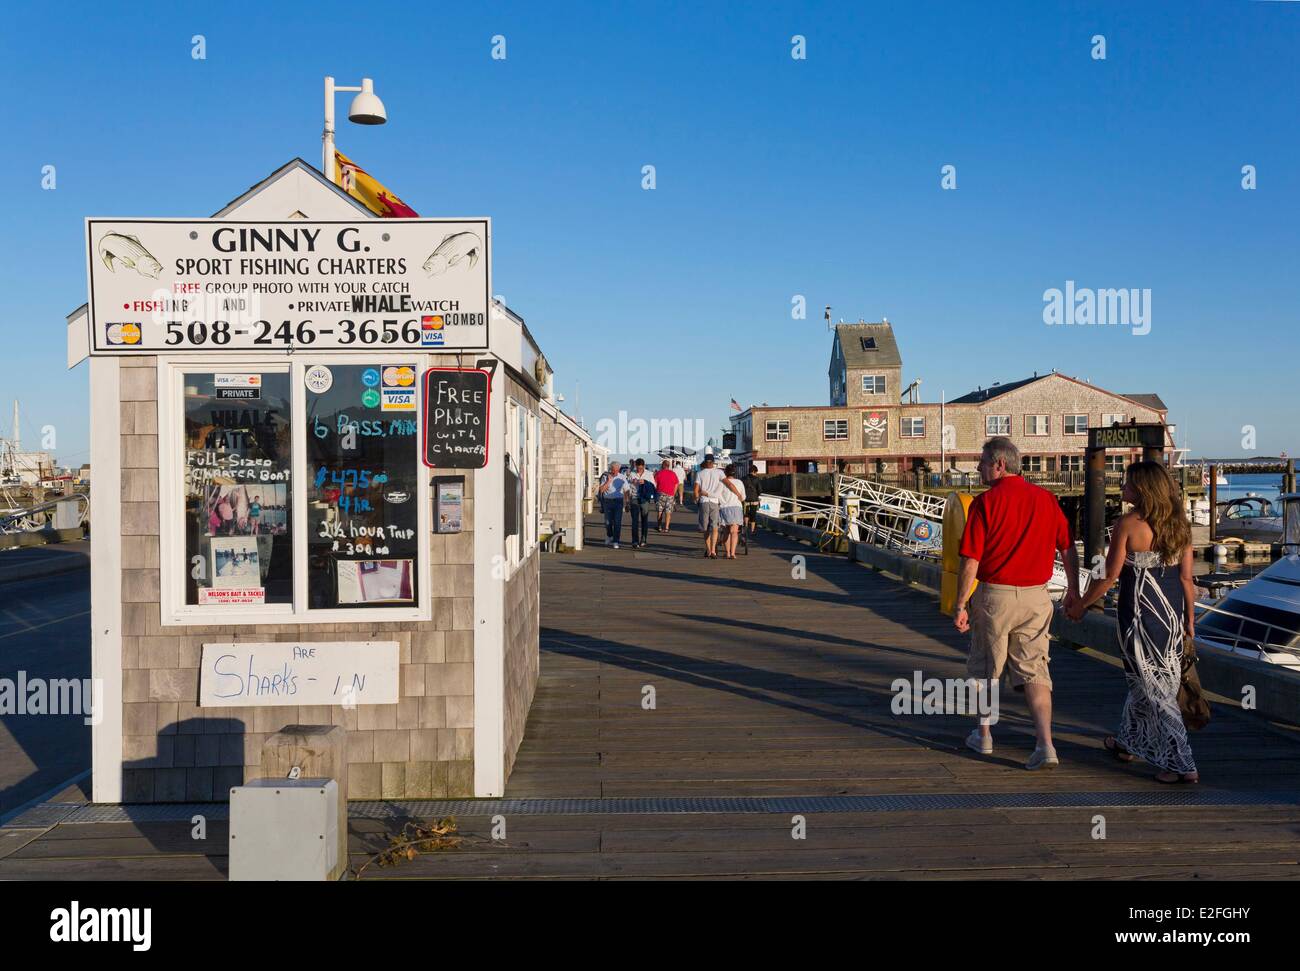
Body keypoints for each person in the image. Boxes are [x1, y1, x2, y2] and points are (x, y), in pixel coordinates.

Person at [1067, 461, 1199, 783]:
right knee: (1146, 682)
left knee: (1156, 690)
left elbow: (1110, 576)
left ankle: (1182, 763)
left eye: (1127, 484)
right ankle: (1127, 743)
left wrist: (1082, 604)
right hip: (1169, 617)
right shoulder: (1180, 525)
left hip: (1139, 616)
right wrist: (1189, 622)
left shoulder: (1127, 524)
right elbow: (1186, 580)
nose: (1122, 488)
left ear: (1142, 488)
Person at [954, 437, 1080, 770]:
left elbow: (971, 560)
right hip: (1038, 597)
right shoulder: (1047, 499)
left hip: (996, 594)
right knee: (1036, 670)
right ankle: (1045, 744)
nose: (978, 468)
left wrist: (960, 603)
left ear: (999, 464)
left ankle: (983, 735)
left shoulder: (985, 503)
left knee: (986, 667)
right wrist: (1074, 591)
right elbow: (1068, 547)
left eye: (982, 461)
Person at [693, 455, 726, 558]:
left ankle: (708, 550)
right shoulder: (720, 472)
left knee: (706, 528)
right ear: (713, 462)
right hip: (715, 502)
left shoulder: (700, 473)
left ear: (705, 462)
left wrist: (695, 498)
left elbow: (696, 489)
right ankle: (713, 551)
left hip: (704, 502)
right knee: (715, 527)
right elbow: (726, 483)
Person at [597, 462, 629, 548]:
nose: (615, 472)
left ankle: (616, 541)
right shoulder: (605, 476)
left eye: (617, 470)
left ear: (619, 469)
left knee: (617, 522)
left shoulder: (622, 477)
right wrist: (608, 481)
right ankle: (609, 535)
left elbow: (626, 490)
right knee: (608, 522)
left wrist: (626, 503)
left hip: (618, 501)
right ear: (610, 469)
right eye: (613, 470)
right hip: (607, 501)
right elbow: (601, 490)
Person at [718, 464, 747, 558]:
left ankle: (727, 553)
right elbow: (743, 497)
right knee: (734, 531)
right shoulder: (739, 482)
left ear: (725, 473)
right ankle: (733, 553)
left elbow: (718, 495)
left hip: (725, 507)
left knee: (726, 531)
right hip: (736, 507)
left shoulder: (722, 482)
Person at [626, 458, 656, 548]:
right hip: (634, 498)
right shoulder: (631, 474)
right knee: (634, 521)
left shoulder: (649, 474)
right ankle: (634, 541)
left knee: (644, 520)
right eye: (638, 468)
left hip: (644, 499)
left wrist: (645, 482)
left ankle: (643, 540)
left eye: (641, 468)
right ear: (635, 466)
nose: (639, 470)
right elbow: (626, 487)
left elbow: (654, 486)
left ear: (644, 466)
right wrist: (632, 482)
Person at [654, 460, 680, 533]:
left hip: (660, 494)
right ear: (669, 466)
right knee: (668, 512)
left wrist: (656, 491)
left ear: (662, 465)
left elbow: (655, 484)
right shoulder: (673, 474)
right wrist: (674, 493)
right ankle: (666, 528)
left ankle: (659, 527)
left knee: (660, 511)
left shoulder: (658, 473)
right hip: (670, 495)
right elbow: (676, 484)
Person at [741, 469, 761, 538]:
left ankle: (745, 528)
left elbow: (741, 489)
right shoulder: (757, 479)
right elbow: (760, 490)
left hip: (745, 499)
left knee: (746, 514)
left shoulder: (743, 478)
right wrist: (756, 495)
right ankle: (752, 531)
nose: (756, 474)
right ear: (754, 471)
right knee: (753, 515)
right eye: (756, 472)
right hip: (754, 499)